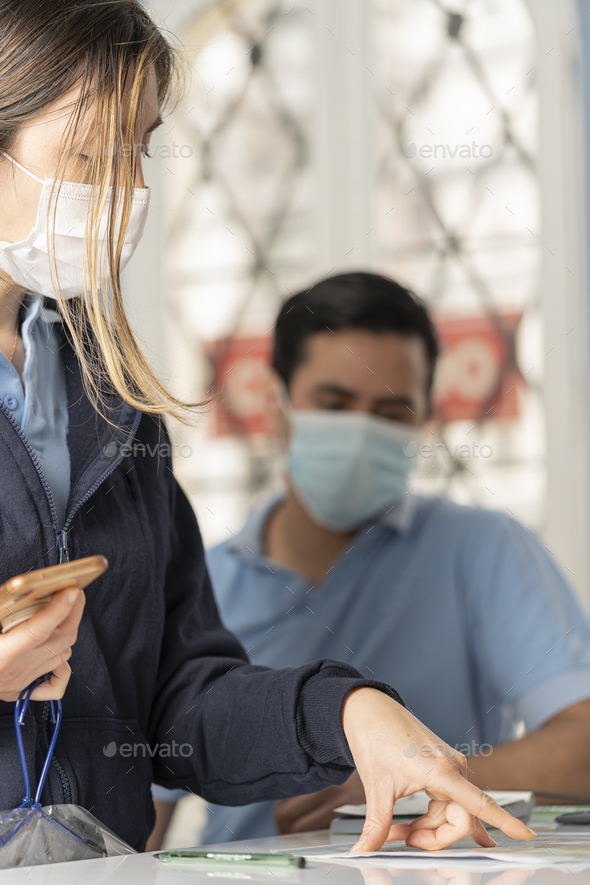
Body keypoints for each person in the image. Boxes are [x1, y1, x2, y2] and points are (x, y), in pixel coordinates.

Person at [0, 0, 533, 860]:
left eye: (141, 147)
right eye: (96, 155)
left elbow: (178, 695)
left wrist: (352, 713)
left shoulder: (110, 393)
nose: (131, 189)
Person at [170, 271, 590, 845]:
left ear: (424, 420)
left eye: (391, 414)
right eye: (335, 404)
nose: (361, 432)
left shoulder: (481, 550)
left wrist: (420, 783)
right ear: (277, 401)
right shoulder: (198, 581)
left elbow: (584, 742)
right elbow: (144, 808)